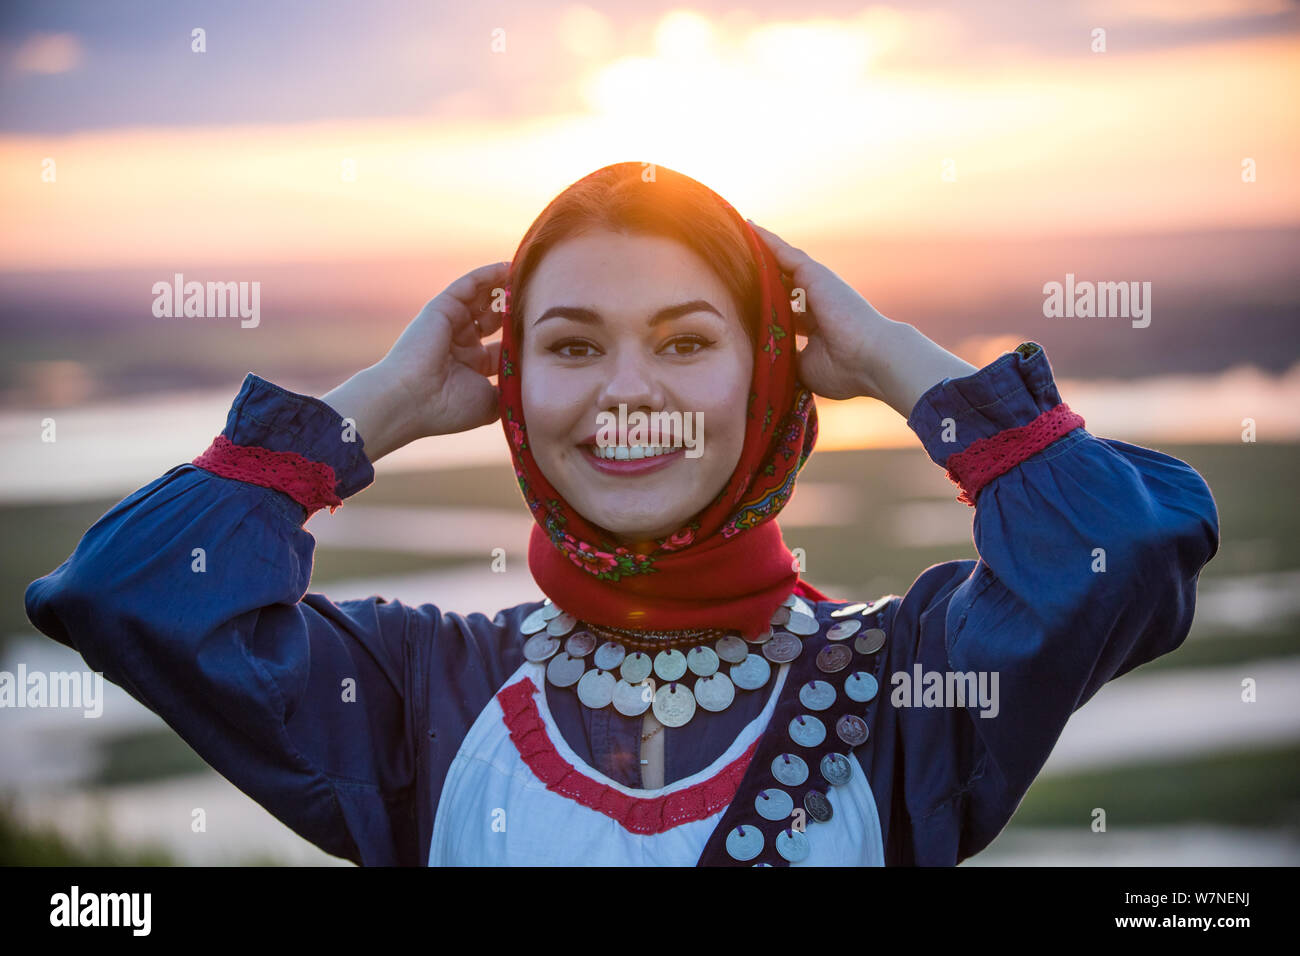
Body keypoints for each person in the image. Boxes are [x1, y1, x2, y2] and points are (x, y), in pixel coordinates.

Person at [25, 162, 1220, 866]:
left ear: (769, 375)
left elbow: (1126, 551)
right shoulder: (418, 696)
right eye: (572, 346)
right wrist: (371, 408)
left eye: (690, 342)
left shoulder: (904, 691)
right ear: (511, 388)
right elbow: (128, 591)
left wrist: (896, 357)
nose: (627, 391)